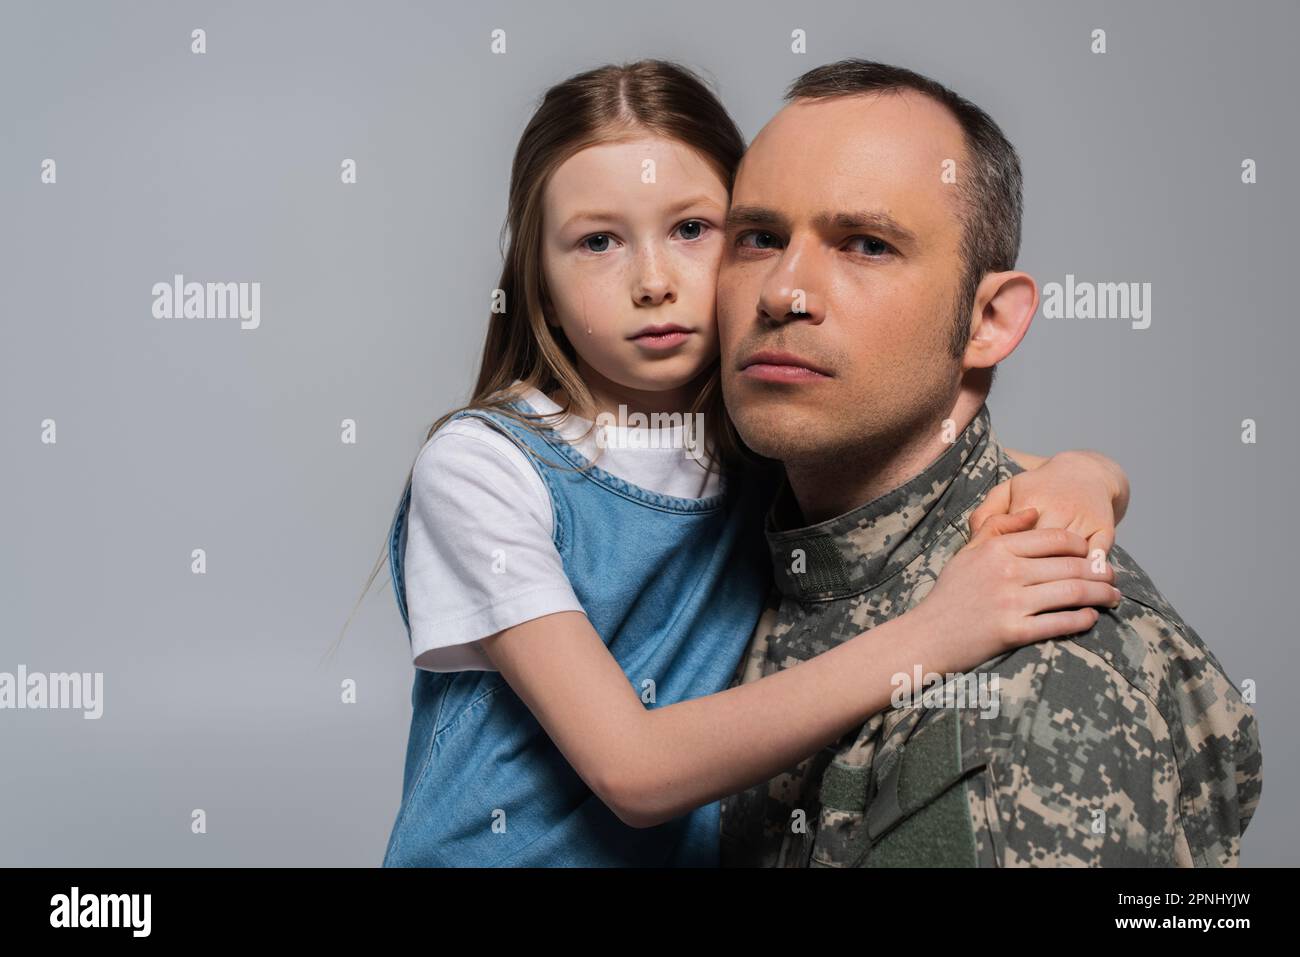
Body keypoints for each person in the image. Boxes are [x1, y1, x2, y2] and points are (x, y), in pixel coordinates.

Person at [351, 60, 1133, 867]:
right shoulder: (485, 468)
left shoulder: (756, 431)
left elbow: (998, 463)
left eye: (692, 230)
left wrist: (1086, 475)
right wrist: (937, 633)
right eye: (596, 241)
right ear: (539, 286)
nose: (653, 282)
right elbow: (635, 769)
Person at [715, 59, 1263, 867]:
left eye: (866, 244)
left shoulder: (1033, 674)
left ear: (990, 322)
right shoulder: (721, 534)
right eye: (759, 238)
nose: (784, 290)